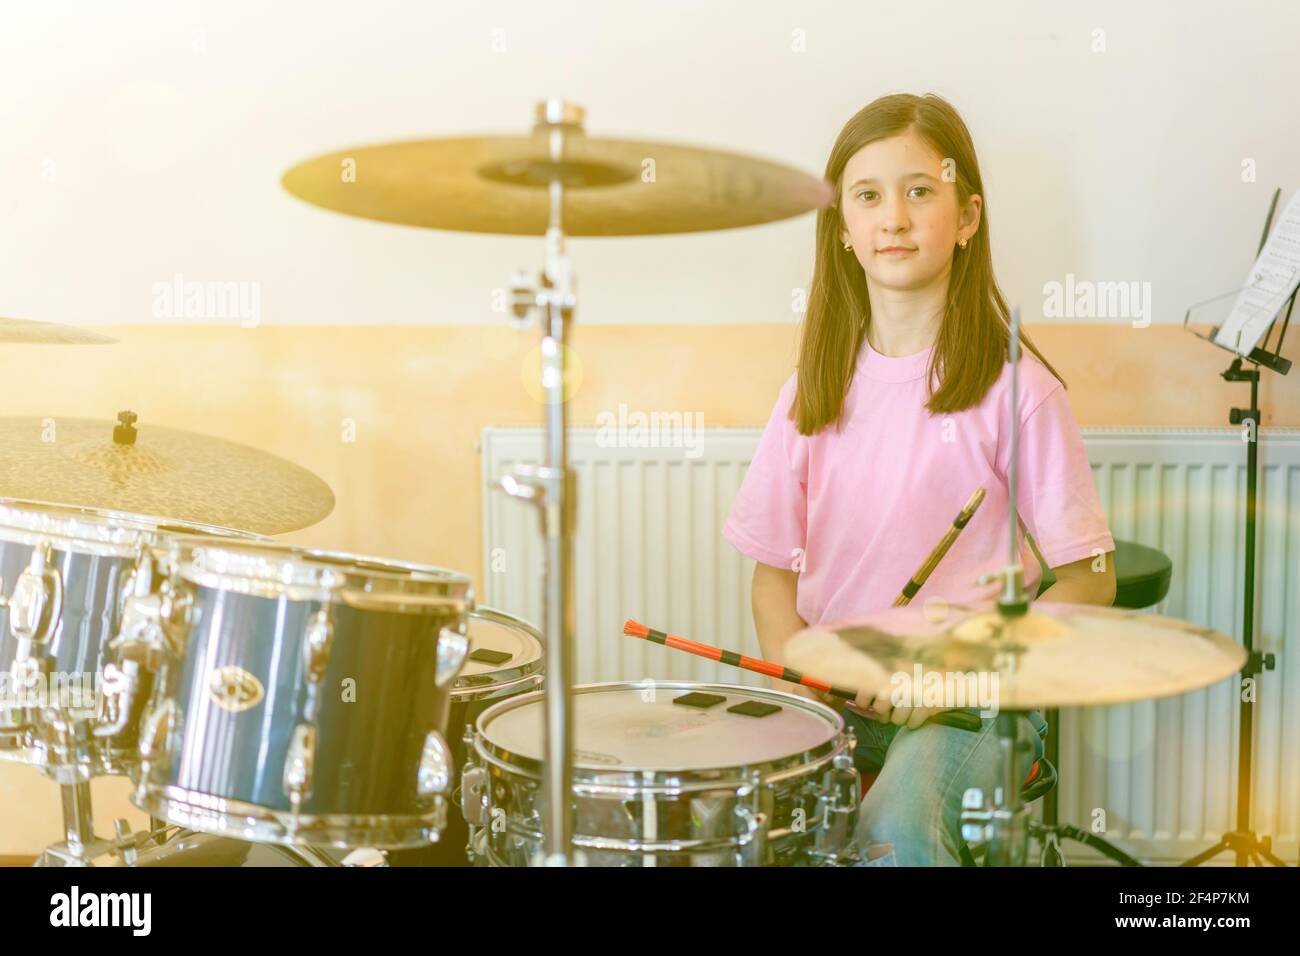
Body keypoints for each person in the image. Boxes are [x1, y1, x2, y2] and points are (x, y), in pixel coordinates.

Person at [721, 92, 1116, 866]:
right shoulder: (810, 392)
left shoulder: (1020, 391)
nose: (893, 218)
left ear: (967, 217)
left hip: (974, 707)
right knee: (728, 810)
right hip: (838, 698)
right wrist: (803, 671)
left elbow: (1090, 581)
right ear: (842, 228)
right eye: (867, 196)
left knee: (895, 830)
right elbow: (773, 582)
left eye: (919, 191)